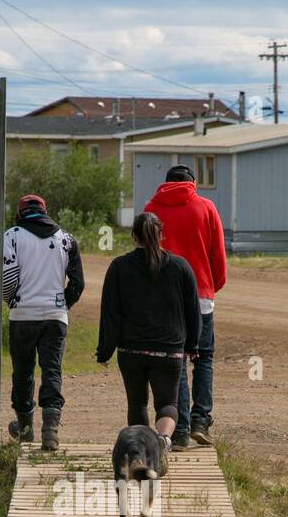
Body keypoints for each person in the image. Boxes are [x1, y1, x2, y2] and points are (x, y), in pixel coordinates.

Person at [96, 211, 201, 459]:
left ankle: (140, 453)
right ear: (161, 235)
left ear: (134, 236)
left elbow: (110, 313)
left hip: (131, 350)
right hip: (169, 350)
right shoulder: (180, 267)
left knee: (137, 404)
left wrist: (105, 350)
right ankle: (163, 440)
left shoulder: (119, 267)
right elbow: (193, 311)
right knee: (168, 404)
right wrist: (193, 345)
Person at [144, 163, 226, 448]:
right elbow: (217, 254)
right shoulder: (206, 207)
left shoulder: (151, 209)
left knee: (175, 363)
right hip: (201, 296)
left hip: (165, 301)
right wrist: (210, 287)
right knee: (204, 358)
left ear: (165, 183)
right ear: (192, 184)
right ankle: (201, 419)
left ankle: (178, 431)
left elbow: (144, 255)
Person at [3, 193, 85, 451]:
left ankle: (25, 429)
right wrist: (64, 304)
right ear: (44, 211)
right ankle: (50, 430)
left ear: (20, 212)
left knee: (23, 372)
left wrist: (13, 302)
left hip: (23, 315)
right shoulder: (66, 238)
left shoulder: (12, 236)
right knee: (52, 370)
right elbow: (78, 283)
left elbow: (8, 280)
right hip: (55, 316)